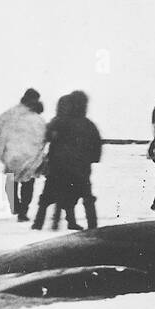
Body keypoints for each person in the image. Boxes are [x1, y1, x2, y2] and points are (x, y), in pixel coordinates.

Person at [33, 91, 102, 231]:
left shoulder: (59, 122)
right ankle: (92, 227)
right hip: (81, 169)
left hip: (58, 167)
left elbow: (46, 136)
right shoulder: (88, 124)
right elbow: (96, 147)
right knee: (86, 198)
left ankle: (39, 223)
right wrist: (91, 159)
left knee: (47, 197)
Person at [0, 89, 47, 222]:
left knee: (11, 181)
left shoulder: (11, 113)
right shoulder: (38, 119)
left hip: (12, 154)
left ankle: (15, 205)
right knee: (27, 183)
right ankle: (23, 211)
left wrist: (0, 131)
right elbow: (43, 136)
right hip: (30, 156)